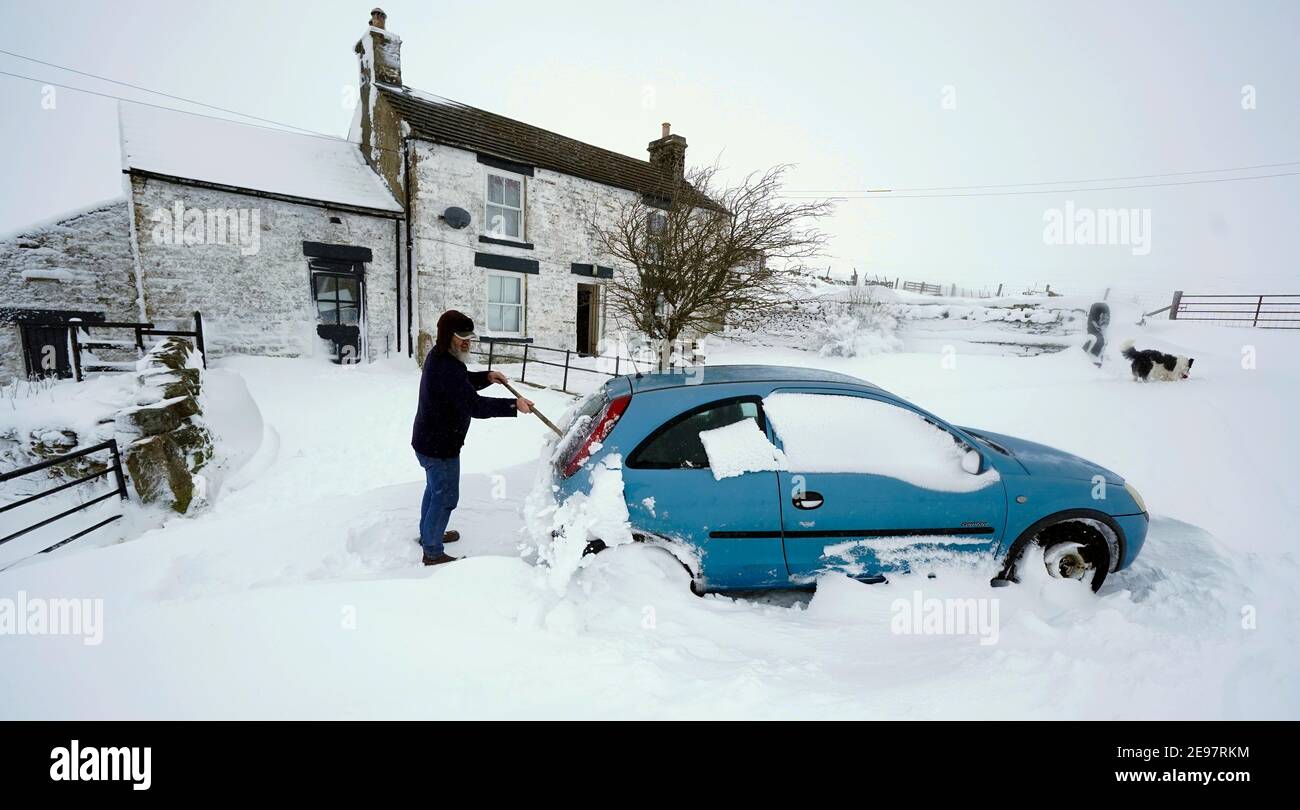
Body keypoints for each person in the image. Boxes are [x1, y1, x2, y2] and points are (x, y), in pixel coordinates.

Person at [412, 310, 533, 566]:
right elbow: (474, 406)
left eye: (469, 336)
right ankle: (432, 551)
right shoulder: (445, 365)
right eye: (461, 336)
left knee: (434, 490)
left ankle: (428, 535)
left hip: (428, 441)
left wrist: (487, 377)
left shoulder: (443, 358)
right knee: (444, 497)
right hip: (439, 446)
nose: (467, 341)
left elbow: (461, 382)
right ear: (448, 336)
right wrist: (514, 405)